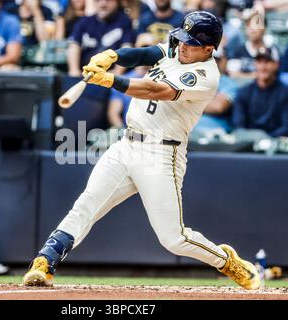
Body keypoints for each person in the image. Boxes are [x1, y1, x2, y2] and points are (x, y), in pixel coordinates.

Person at [23, 11, 260, 290]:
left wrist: (112, 81)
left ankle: (225, 260)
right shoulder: (176, 49)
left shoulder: (205, 75)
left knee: (174, 239)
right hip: (126, 145)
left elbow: (153, 90)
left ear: (209, 49)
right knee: (86, 205)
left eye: (191, 43)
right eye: (182, 39)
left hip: (161, 154)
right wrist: (112, 56)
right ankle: (44, 261)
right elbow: (144, 54)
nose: (182, 46)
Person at [67, 0, 136, 76]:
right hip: (85, 74)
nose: (103, 4)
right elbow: (74, 46)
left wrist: (117, 71)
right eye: (98, 0)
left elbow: (126, 48)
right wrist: (74, 70)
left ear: (117, 2)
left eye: (107, 0)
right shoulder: (84, 21)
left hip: (111, 76)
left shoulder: (124, 21)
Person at [232, 46, 288, 137]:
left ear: (276, 65)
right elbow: (238, 125)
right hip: (248, 143)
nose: (263, 67)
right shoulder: (244, 92)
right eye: (259, 62)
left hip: (276, 142)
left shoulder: (285, 92)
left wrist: (266, 139)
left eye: (267, 62)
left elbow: (286, 126)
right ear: (255, 64)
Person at [191, 48, 238, 135]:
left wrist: (189, 100)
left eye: (215, 60)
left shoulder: (228, 83)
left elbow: (218, 107)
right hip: (188, 131)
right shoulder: (194, 79)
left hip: (215, 132)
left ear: (222, 62)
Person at [226, 9, 278, 79]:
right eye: (249, 26)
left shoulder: (272, 50)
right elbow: (231, 73)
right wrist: (252, 76)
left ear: (264, 29)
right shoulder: (239, 50)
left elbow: (275, 74)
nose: (252, 30)